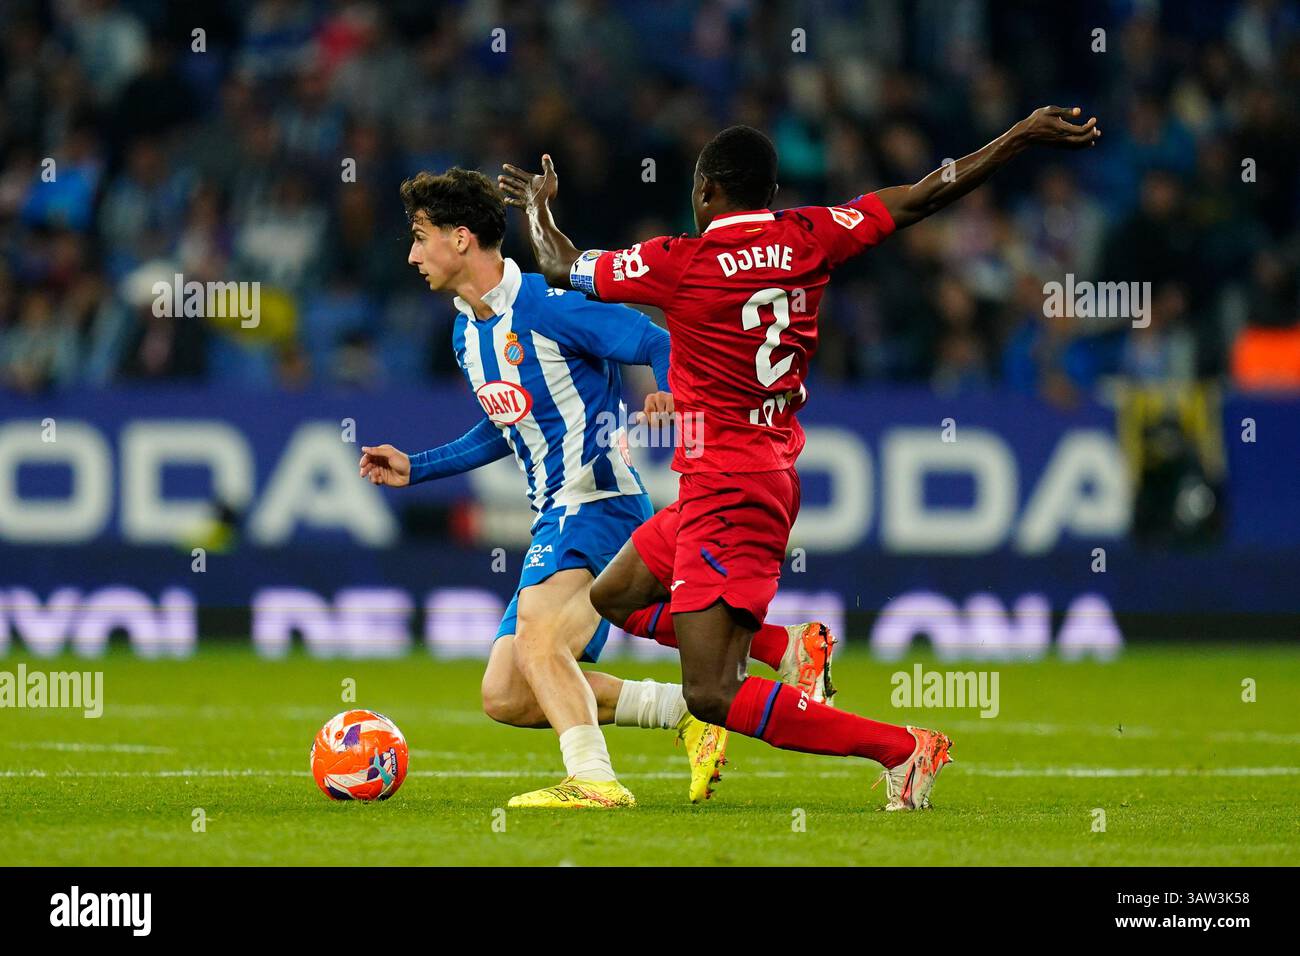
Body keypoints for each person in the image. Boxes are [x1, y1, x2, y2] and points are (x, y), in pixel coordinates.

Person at [500, 106, 1101, 809]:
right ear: (772, 193)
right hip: (743, 479)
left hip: (730, 493)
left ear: (706, 193)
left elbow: (560, 263)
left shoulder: (679, 262)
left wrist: (539, 208)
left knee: (712, 694)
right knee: (613, 596)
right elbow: (925, 193)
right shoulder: (809, 236)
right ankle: (788, 648)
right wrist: (1017, 137)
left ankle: (903, 749)